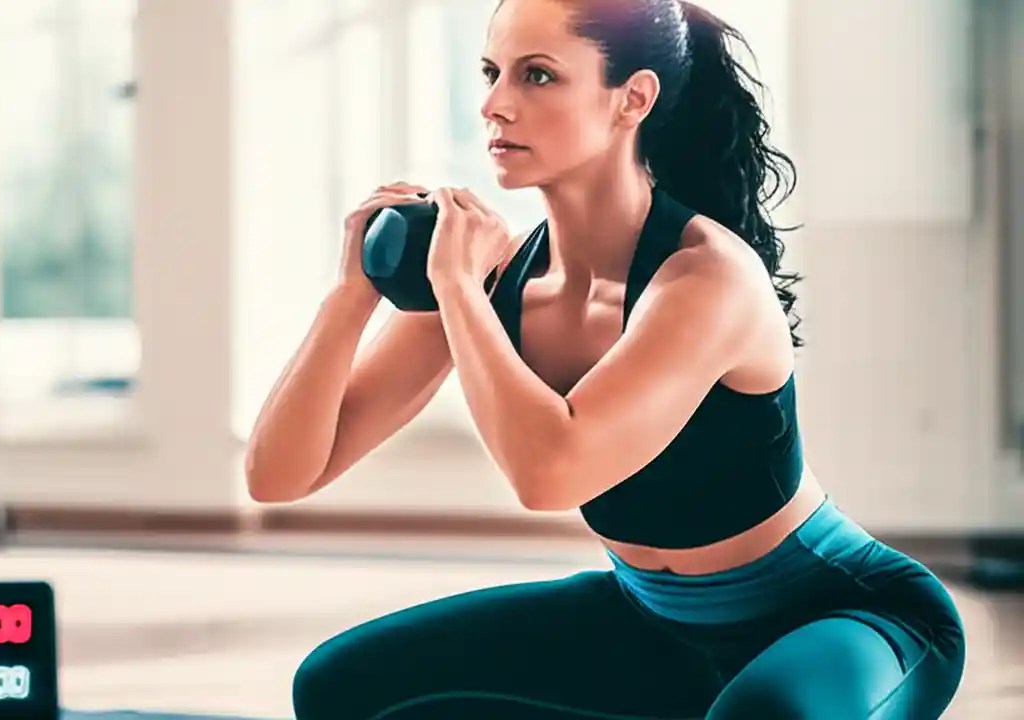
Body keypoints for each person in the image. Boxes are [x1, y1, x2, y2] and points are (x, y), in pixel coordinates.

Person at [244, 0, 967, 717]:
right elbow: (280, 475)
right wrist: (350, 297)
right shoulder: (491, 275)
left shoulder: (704, 277)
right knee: (338, 688)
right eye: (492, 71)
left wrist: (458, 289)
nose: (495, 104)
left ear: (633, 99)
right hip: (654, 623)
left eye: (537, 76)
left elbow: (549, 474)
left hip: (841, 618)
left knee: (765, 717)